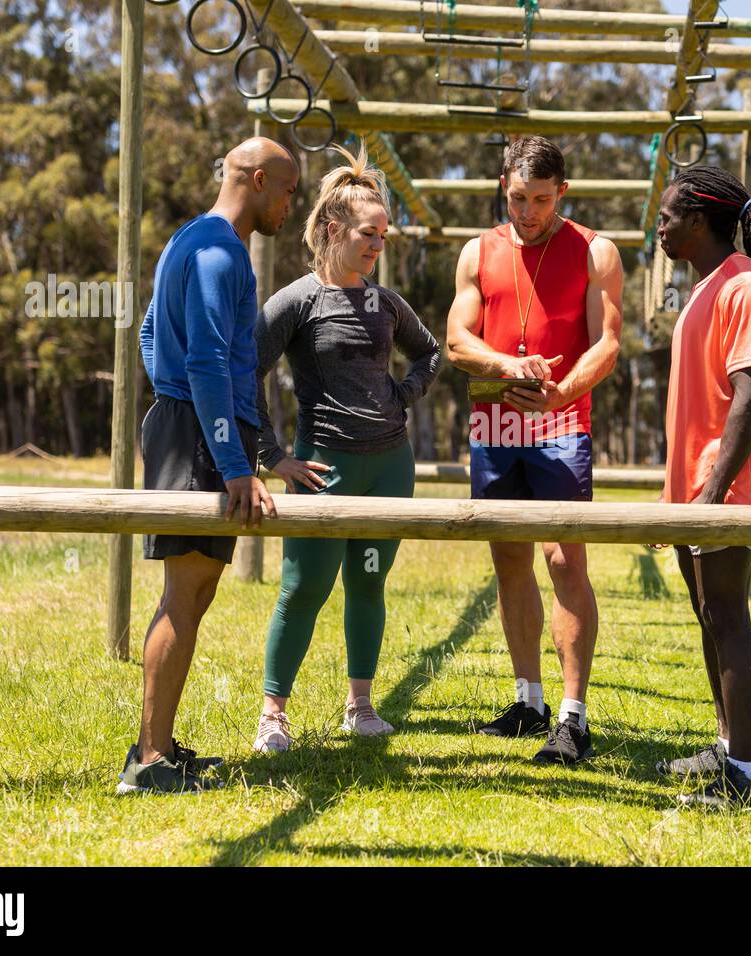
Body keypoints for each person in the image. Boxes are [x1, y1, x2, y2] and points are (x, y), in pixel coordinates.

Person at [119, 137, 298, 794]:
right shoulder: (221, 252)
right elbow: (205, 363)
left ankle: (155, 748)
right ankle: (149, 763)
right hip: (200, 435)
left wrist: (174, 401)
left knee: (193, 594)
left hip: (189, 425)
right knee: (184, 594)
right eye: (286, 189)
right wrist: (231, 462)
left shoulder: (187, 240)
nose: (288, 203)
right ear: (253, 180)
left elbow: (148, 333)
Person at [251, 143, 441, 753]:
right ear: (332, 229)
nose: (377, 245)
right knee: (304, 588)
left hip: (389, 467)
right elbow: (244, 369)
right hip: (322, 468)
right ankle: (273, 715)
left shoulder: (387, 303)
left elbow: (431, 353)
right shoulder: (296, 301)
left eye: (384, 235)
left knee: (367, 581)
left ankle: (360, 706)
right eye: (368, 233)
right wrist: (270, 455)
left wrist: (402, 395)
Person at [446, 136, 623, 764]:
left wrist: (559, 393)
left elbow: (607, 343)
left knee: (565, 562)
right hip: (494, 429)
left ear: (562, 193)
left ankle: (573, 718)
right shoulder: (478, 251)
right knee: (509, 559)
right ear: (503, 187)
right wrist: (509, 364)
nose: (528, 211)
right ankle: (529, 701)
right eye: (518, 197)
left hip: (560, 425)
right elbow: (456, 340)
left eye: (542, 200)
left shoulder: (595, 250)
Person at [652, 165, 751, 808]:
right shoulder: (709, 287)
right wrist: (677, 496)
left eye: (668, 216)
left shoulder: (747, 287)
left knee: (729, 618)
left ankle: (746, 775)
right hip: (694, 492)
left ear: (700, 221)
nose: (660, 226)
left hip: (724, 491)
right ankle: (726, 743)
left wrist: (711, 492)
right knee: (710, 616)